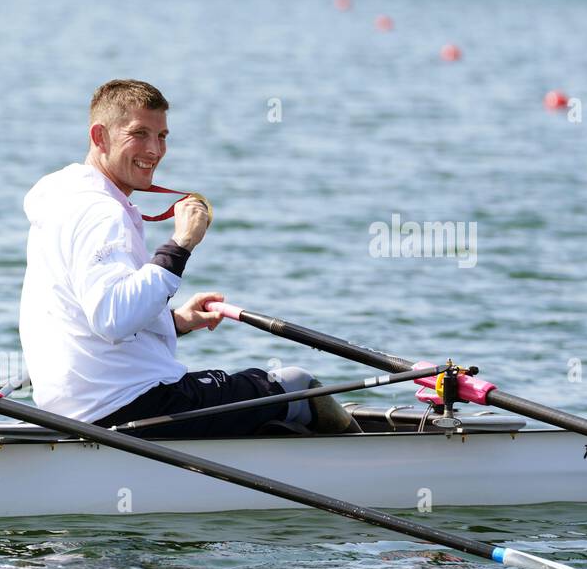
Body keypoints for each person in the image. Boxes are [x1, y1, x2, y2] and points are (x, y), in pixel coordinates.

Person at [19, 79, 358, 437]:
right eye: (140, 134)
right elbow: (112, 317)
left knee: (266, 414)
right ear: (99, 136)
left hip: (69, 412)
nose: (154, 150)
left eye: (162, 136)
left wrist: (174, 321)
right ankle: (367, 469)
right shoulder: (102, 213)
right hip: (132, 404)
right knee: (299, 385)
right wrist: (180, 245)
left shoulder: (63, 197)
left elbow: (90, 310)